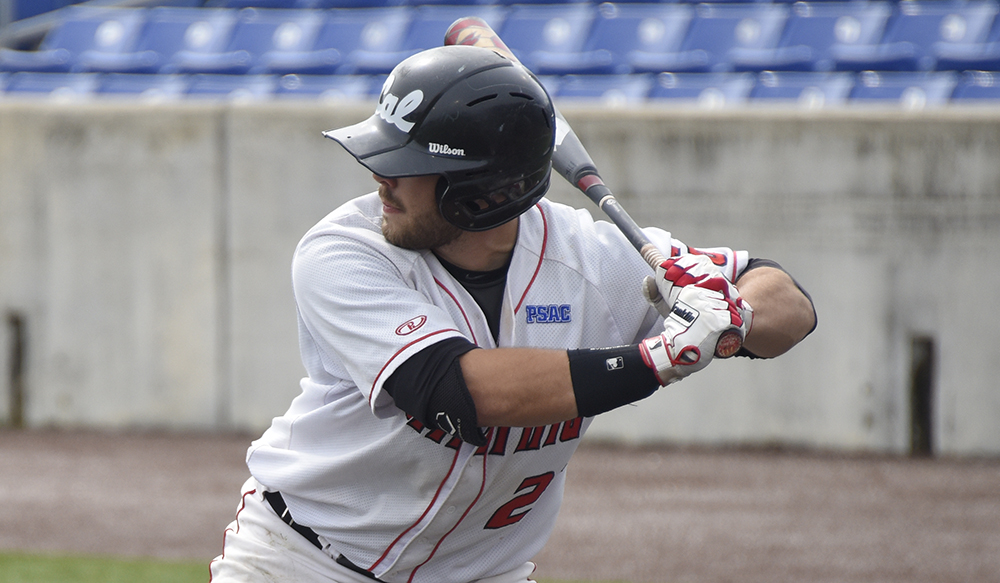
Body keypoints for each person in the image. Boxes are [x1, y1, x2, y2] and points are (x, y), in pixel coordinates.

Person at [209, 44, 816, 583]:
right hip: (305, 559)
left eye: (405, 165)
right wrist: (662, 357)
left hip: (483, 572)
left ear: (482, 191)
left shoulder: (594, 259)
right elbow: (463, 392)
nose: (379, 180)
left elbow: (790, 304)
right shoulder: (344, 251)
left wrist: (732, 308)